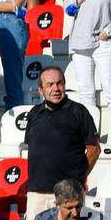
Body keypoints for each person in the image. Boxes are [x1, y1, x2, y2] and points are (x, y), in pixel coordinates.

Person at [23, 66, 101, 211]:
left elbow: (94, 149)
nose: (56, 88)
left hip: (68, 194)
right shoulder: (34, 113)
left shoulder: (79, 112)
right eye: (50, 85)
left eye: (59, 83)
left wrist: (77, 179)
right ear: (41, 90)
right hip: (36, 195)